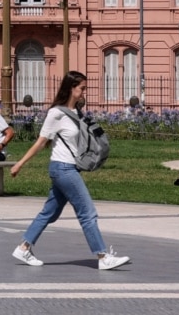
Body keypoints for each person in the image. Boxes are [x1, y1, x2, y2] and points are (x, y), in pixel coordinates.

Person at [10, 71, 130, 270]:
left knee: (50, 213)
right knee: (87, 212)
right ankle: (102, 256)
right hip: (62, 168)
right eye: (81, 88)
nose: (84, 92)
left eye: (85, 88)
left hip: (70, 168)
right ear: (70, 88)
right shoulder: (56, 113)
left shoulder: (77, 113)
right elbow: (41, 142)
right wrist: (20, 163)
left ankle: (23, 247)